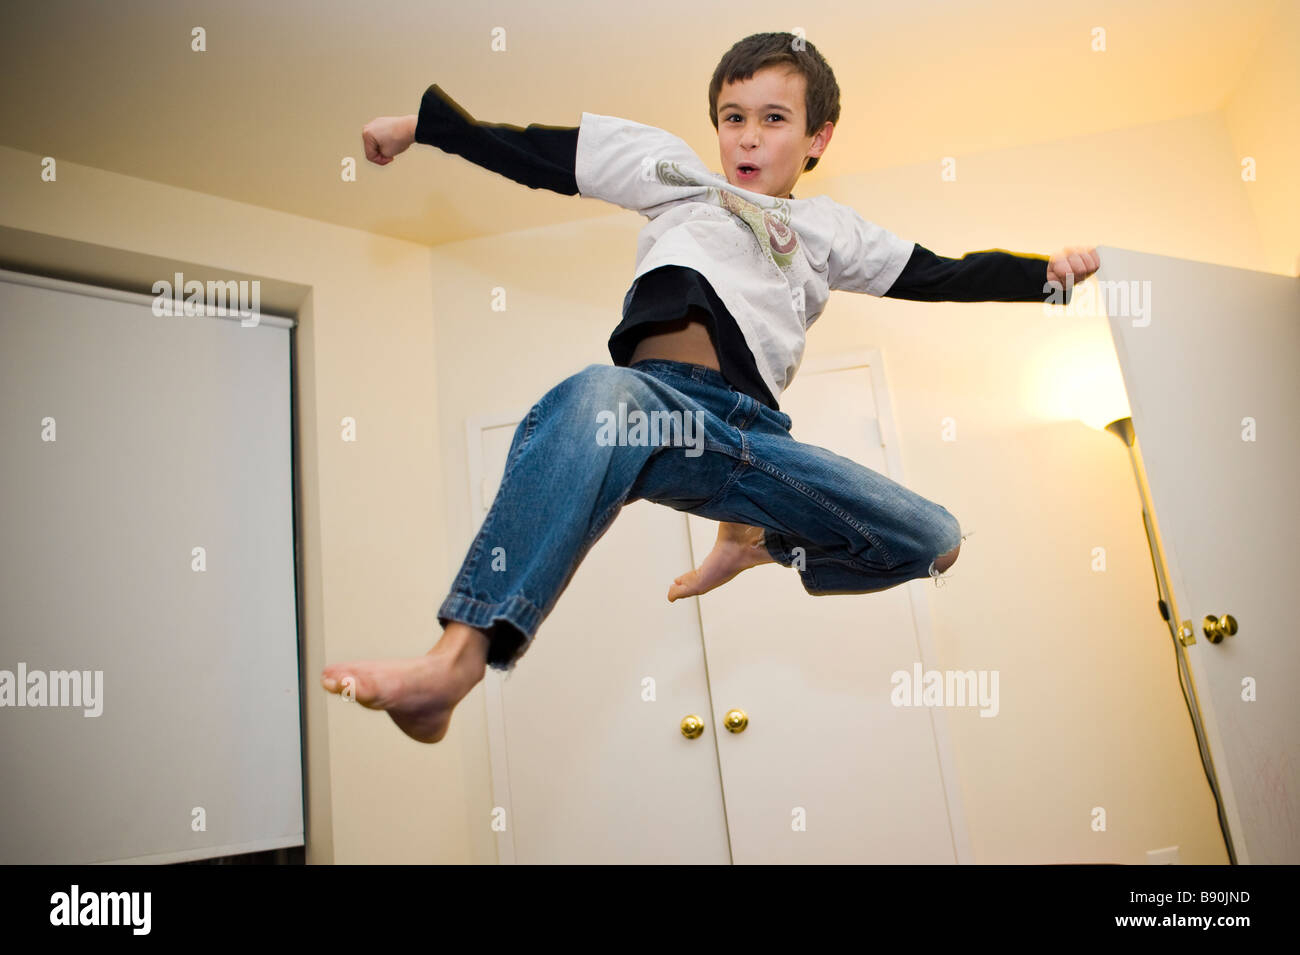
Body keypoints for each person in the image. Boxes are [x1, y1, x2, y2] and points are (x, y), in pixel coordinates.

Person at [321, 32, 1100, 743]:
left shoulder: (829, 233)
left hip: (756, 439)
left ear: (817, 137)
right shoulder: (674, 177)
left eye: (773, 119)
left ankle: (761, 536)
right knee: (596, 394)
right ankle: (454, 661)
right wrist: (426, 128)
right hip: (654, 411)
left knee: (938, 541)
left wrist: (1047, 280)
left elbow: (942, 273)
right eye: (733, 118)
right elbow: (542, 155)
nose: (749, 137)